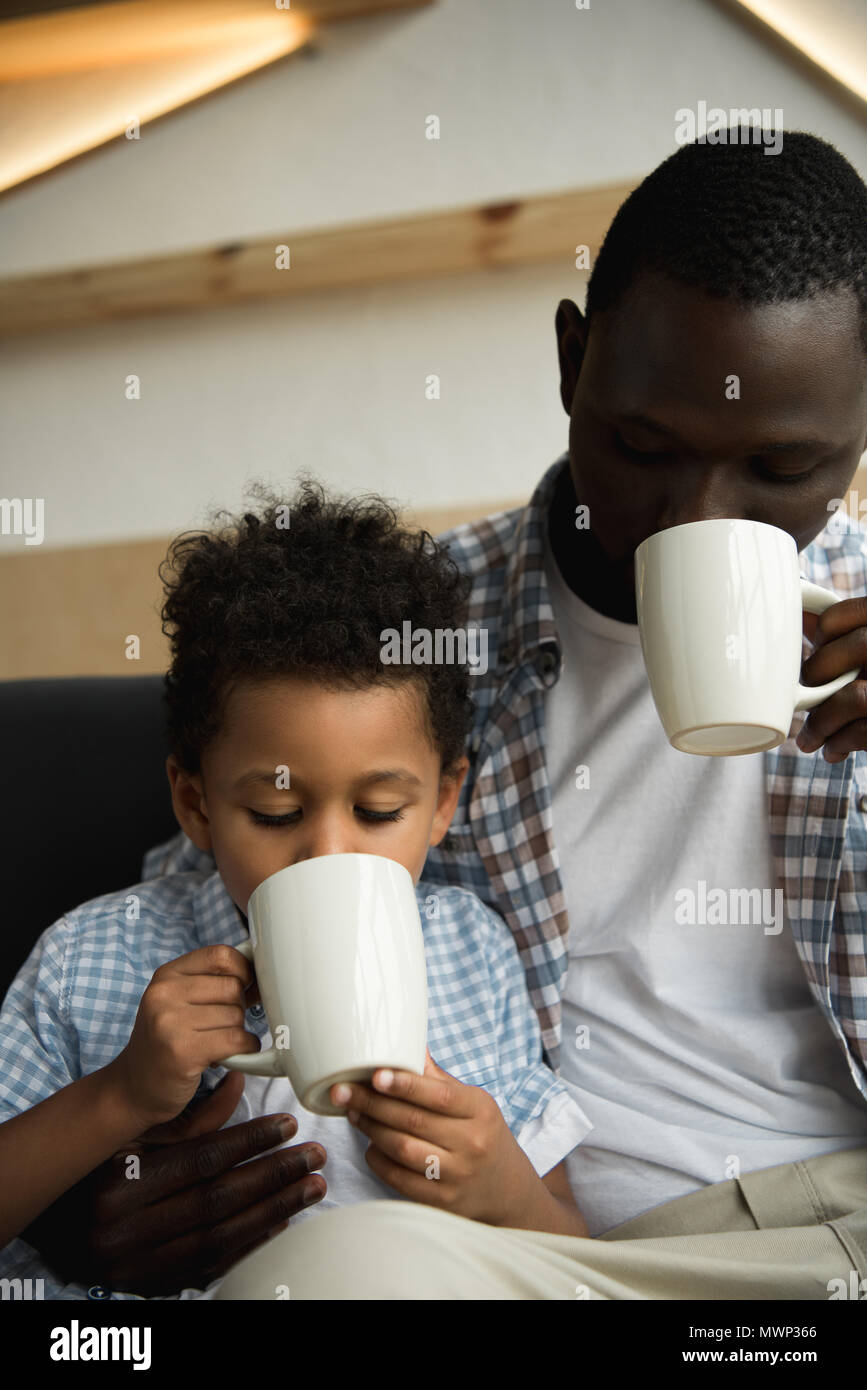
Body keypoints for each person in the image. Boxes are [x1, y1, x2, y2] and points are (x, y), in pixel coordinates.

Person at [10, 125, 867, 1300]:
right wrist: (77, 1197)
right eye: (642, 445)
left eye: (779, 471)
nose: (692, 518)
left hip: (847, 1229)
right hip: (560, 1270)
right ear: (575, 365)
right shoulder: (398, 640)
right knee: (333, 1276)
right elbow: (219, 868)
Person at [0, 482, 594, 1300]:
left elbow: (577, 1258)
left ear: (443, 803)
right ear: (195, 803)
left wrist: (506, 1187)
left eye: (379, 810)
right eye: (276, 812)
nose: (326, 853)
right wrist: (120, 1095)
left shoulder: (470, 951)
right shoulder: (93, 957)